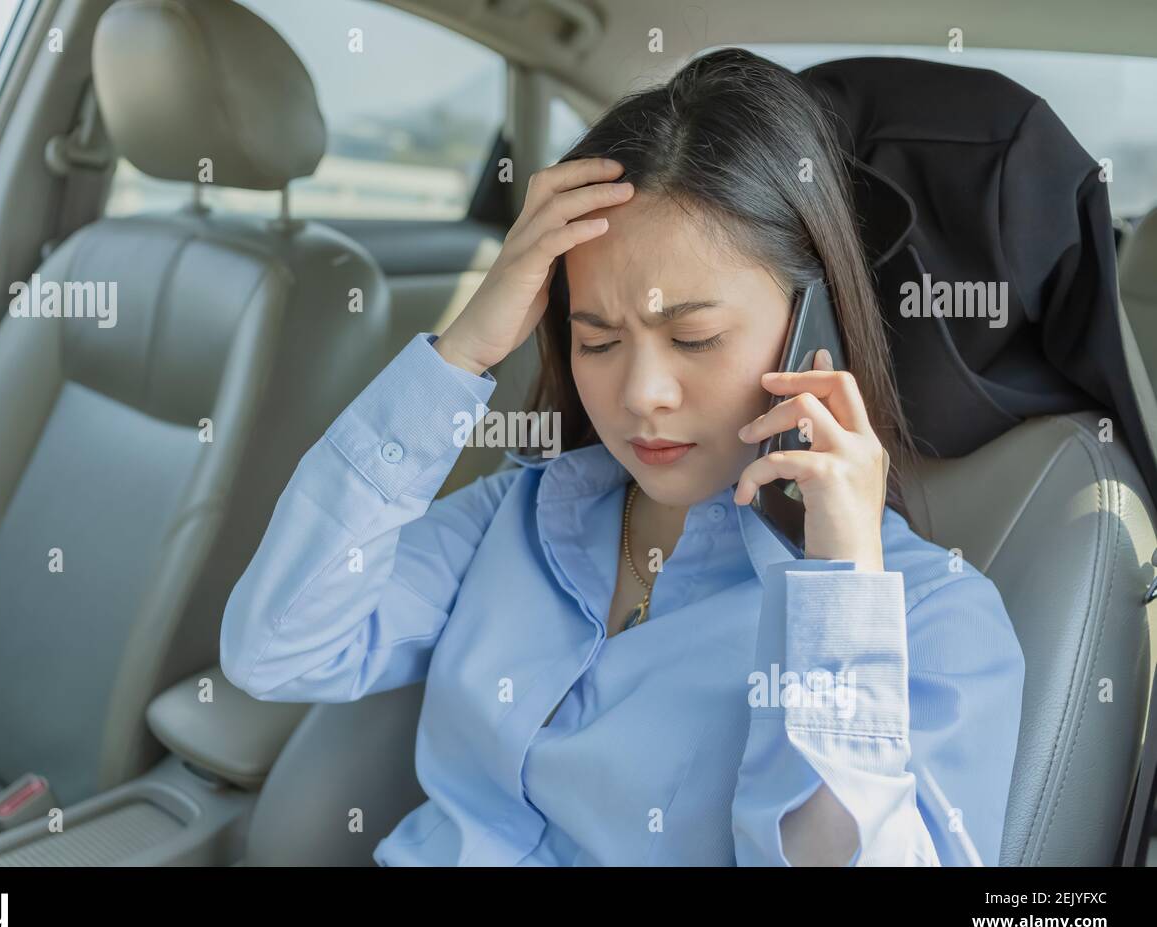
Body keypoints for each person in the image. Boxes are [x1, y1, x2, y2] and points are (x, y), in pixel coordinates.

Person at [220, 47, 1025, 866]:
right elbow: (277, 648)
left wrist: (839, 596)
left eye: (695, 338)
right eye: (597, 340)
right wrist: (459, 355)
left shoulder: (930, 619)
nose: (643, 394)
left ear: (814, 325)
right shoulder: (522, 513)